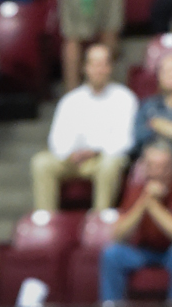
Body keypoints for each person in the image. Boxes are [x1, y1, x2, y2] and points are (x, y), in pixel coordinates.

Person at [31, 39, 135, 210]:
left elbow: (125, 139)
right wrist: (70, 153)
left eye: (103, 64)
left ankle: (99, 218)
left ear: (110, 68)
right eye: (93, 64)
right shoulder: (71, 100)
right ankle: (46, 218)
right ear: (85, 67)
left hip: (103, 157)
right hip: (72, 159)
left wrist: (94, 151)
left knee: (111, 164)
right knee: (41, 163)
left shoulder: (124, 98)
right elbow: (57, 138)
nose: (98, 70)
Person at [99, 141, 172, 302]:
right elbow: (118, 234)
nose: (157, 172)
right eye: (151, 166)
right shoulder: (137, 189)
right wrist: (144, 202)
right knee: (112, 254)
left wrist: (154, 205)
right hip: (146, 252)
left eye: (163, 167)